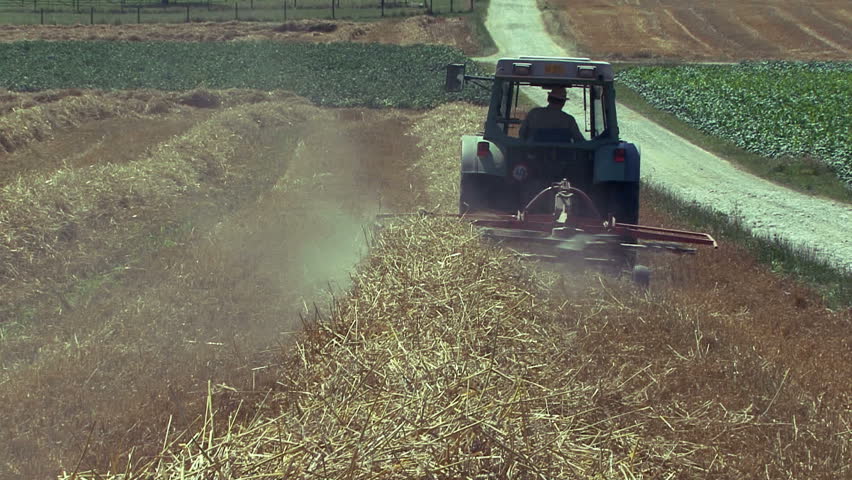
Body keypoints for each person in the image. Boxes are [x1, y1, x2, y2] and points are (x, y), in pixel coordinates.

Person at [519, 87, 585, 143]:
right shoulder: (569, 120)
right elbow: (579, 140)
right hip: (563, 156)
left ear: (548, 99)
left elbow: (522, 133)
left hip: (533, 155)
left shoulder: (534, 113)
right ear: (563, 103)